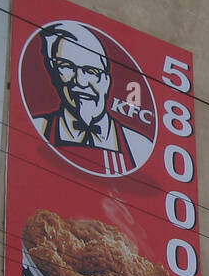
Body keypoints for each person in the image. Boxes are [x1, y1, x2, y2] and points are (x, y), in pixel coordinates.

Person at [35, 21, 137, 174]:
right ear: (54, 75)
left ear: (107, 82)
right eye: (67, 67)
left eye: (92, 71)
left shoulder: (135, 143)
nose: (81, 81)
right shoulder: (38, 129)